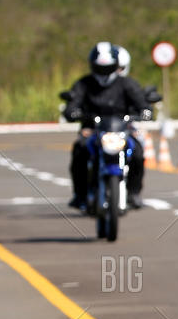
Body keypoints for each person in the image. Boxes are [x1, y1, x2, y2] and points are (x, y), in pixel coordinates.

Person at [63, 41, 151, 209]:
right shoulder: (84, 84)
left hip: (121, 131)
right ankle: (80, 195)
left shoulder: (127, 84)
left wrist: (145, 112)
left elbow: (142, 104)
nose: (104, 73)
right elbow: (72, 104)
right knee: (79, 150)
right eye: (100, 68)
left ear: (116, 66)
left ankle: (133, 193)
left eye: (108, 68)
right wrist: (73, 113)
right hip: (93, 131)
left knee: (138, 152)